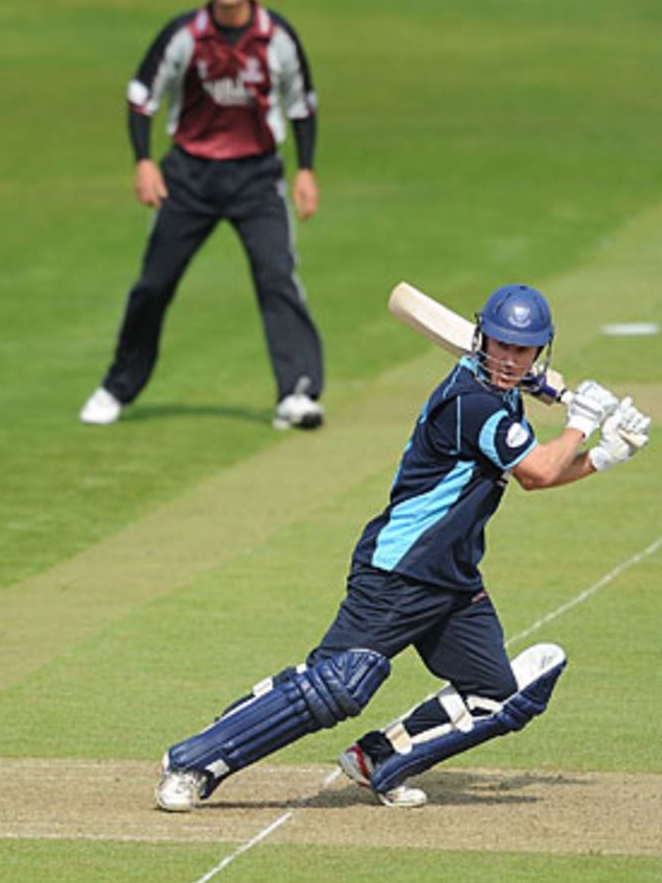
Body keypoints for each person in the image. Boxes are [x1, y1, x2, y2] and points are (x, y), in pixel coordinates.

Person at [153, 284, 651, 811]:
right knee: (340, 683)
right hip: (401, 569)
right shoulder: (472, 403)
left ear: (539, 352)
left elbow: (533, 477)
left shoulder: (502, 398)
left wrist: (605, 456)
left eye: (522, 350)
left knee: (493, 693)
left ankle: (377, 760)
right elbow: (541, 468)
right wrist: (581, 423)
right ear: (482, 339)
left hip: (452, 578)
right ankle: (192, 761)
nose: (510, 359)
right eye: (501, 345)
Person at [80, 0, 325, 430]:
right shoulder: (185, 36)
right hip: (190, 176)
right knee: (154, 284)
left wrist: (305, 169)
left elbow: (302, 105)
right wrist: (143, 161)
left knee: (277, 276)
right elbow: (141, 97)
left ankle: (297, 393)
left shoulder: (276, 37)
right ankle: (117, 387)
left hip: (257, 177)